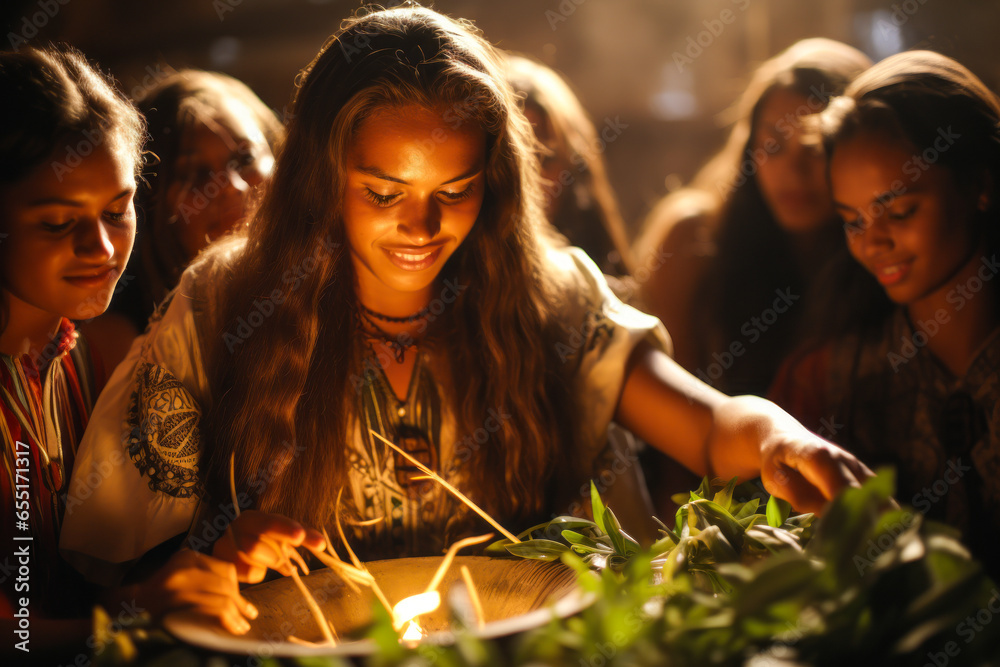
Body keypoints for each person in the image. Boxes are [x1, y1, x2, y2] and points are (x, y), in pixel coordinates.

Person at [61, 5, 870, 611]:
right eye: (384, 193)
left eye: (455, 191)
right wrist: (211, 558)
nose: (422, 227)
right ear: (319, 180)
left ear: (496, 181)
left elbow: (706, 421)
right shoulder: (225, 305)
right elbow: (117, 553)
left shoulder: (544, 294)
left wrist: (778, 438)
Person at [0, 46, 255, 657]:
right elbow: (17, 636)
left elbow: (86, 578)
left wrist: (220, 555)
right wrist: (135, 614)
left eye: (117, 210)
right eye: (59, 223)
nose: (101, 247)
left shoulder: (94, 357)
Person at [769, 51, 1000, 571]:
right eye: (852, 221)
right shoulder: (823, 384)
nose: (873, 241)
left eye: (898, 211)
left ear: (979, 185)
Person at [633, 39, 871, 394]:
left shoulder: (881, 247)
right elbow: (669, 411)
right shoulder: (695, 238)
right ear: (749, 148)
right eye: (773, 145)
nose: (793, 172)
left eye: (815, 148)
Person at [82, 69, 282, 375]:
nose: (231, 186)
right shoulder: (118, 349)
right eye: (195, 174)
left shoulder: (333, 291)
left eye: (244, 159)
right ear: (147, 203)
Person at [504, 53, 634, 278]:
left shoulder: (600, 291)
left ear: (573, 171)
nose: (526, 181)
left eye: (544, 160)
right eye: (508, 160)